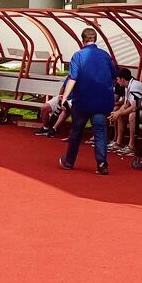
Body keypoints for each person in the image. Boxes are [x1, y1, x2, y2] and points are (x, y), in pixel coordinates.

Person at [57, 26, 117, 175]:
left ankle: (69, 161)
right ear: (95, 39)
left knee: (76, 131)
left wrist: (64, 97)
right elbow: (114, 76)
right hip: (102, 101)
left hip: (83, 100)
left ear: (82, 40)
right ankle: (102, 164)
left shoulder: (78, 56)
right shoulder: (105, 55)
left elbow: (72, 78)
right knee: (100, 132)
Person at [110, 66, 142, 156]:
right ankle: (118, 143)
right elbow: (126, 105)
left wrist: (119, 113)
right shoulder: (127, 86)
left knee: (132, 115)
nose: (117, 81)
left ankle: (131, 146)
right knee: (120, 115)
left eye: (117, 79)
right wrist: (116, 113)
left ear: (122, 79)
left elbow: (134, 107)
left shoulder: (135, 86)